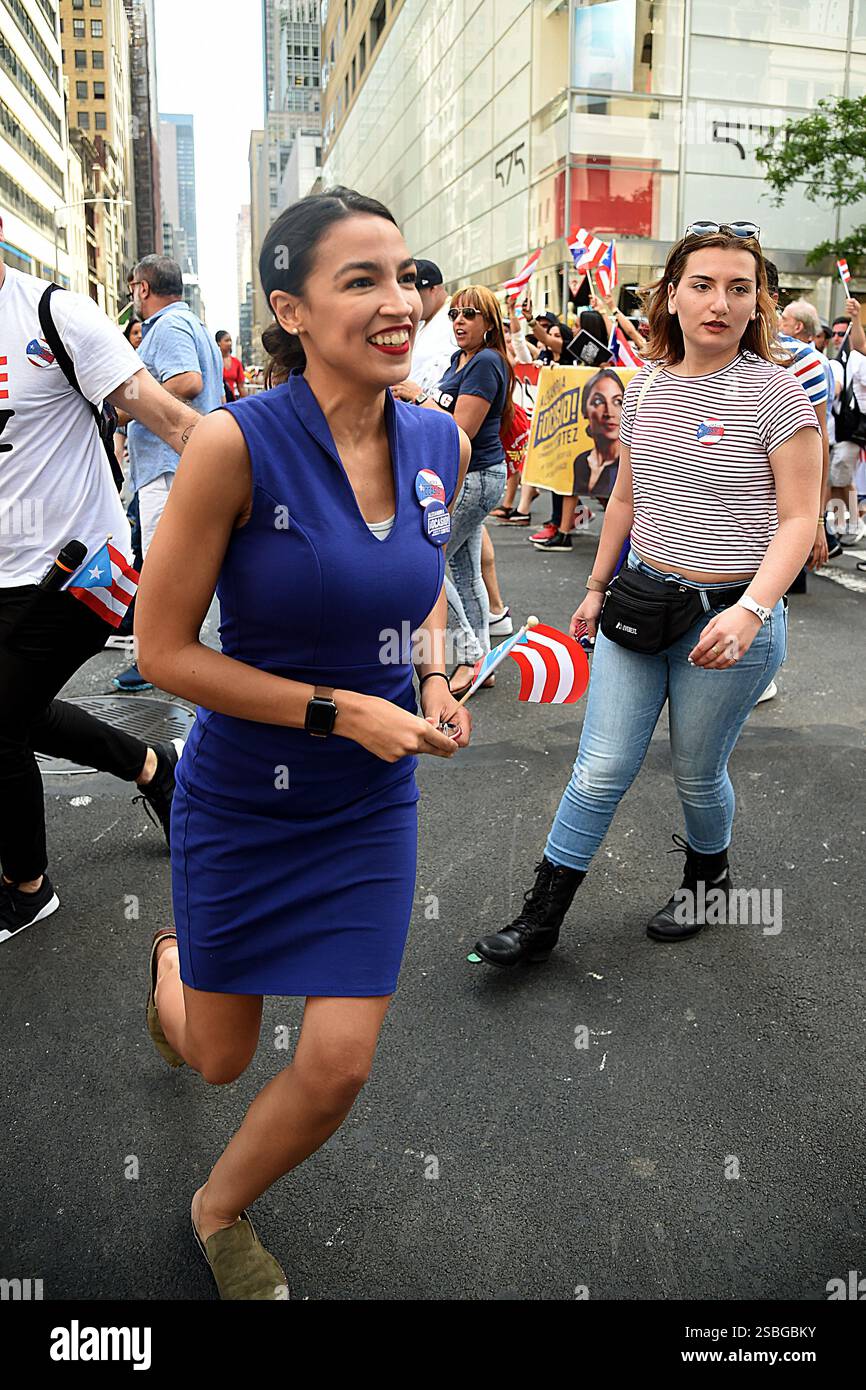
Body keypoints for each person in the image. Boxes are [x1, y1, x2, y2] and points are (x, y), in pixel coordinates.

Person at [136, 187, 472, 1299]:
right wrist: (340, 710)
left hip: (369, 799)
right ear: (289, 307)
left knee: (335, 1064)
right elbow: (167, 650)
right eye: (360, 280)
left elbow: (421, 584)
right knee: (221, 1056)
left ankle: (218, 1208)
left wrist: (427, 677)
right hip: (244, 791)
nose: (399, 302)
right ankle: (172, 967)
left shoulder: (434, 437)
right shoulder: (235, 444)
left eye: (406, 276)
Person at [474, 223, 821, 967]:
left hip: (732, 623)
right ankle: (541, 919)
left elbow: (800, 519)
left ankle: (709, 880)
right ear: (672, 295)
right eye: (702, 285)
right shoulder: (646, 390)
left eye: (739, 288)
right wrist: (596, 587)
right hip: (641, 608)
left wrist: (749, 608)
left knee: (697, 771)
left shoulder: (779, 395)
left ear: (759, 302)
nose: (720, 303)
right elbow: (626, 501)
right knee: (599, 767)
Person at [0, 231, 202, 940]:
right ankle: (152, 765)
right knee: (17, 712)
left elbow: (177, 419)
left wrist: (273, 505)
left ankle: (25, 885)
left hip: (79, 567)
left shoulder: (54, 316)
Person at [393, 286, 513, 698]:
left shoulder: (486, 363)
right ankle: (480, 663)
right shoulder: (459, 360)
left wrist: (417, 395)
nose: (459, 321)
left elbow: (460, 430)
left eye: (470, 315)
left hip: (474, 476)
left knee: (430, 564)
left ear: (489, 323)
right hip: (462, 476)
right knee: (463, 570)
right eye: (455, 314)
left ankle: (472, 655)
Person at [115, 256, 224, 691]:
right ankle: (170, 654)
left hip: (169, 464)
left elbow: (188, 380)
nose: (132, 300)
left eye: (131, 291)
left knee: (164, 567)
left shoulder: (168, 327)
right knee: (181, 564)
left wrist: (133, 405)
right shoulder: (190, 324)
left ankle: (155, 662)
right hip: (181, 462)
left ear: (143, 288)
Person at [533, 368, 625, 554]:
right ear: (585, 410)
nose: (609, 412)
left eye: (618, 402)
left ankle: (623, 542)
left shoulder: (625, 462)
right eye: (599, 401)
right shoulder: (581, 461)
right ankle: (564, 533)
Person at [409, 259, 456, 391]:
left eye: (416, 292)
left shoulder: (454, 319)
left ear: (433, 289)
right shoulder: (422, 322)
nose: (411, 300)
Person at [216, 331, 247, 401]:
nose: (229, 343)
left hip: (230, 401)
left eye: (230, 341)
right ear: (218, 343)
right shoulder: (213, 361)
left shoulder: (236, 362)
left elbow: (241, 387)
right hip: (216, 401)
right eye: (226, 341)